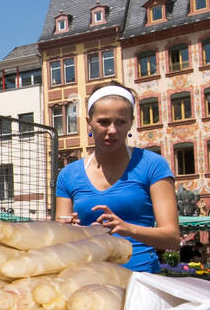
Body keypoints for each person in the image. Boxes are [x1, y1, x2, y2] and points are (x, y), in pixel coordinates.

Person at [54, 83, 180, 271]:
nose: (112, 130)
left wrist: (127, 228)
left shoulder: (153, 165)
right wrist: (68, 230)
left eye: (120, 122)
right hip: (87, 282)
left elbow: (172, 238)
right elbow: (59, 239)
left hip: (139, 282)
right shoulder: (68, 175)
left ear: (131, 122)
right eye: (104, 122)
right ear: (89, 121)